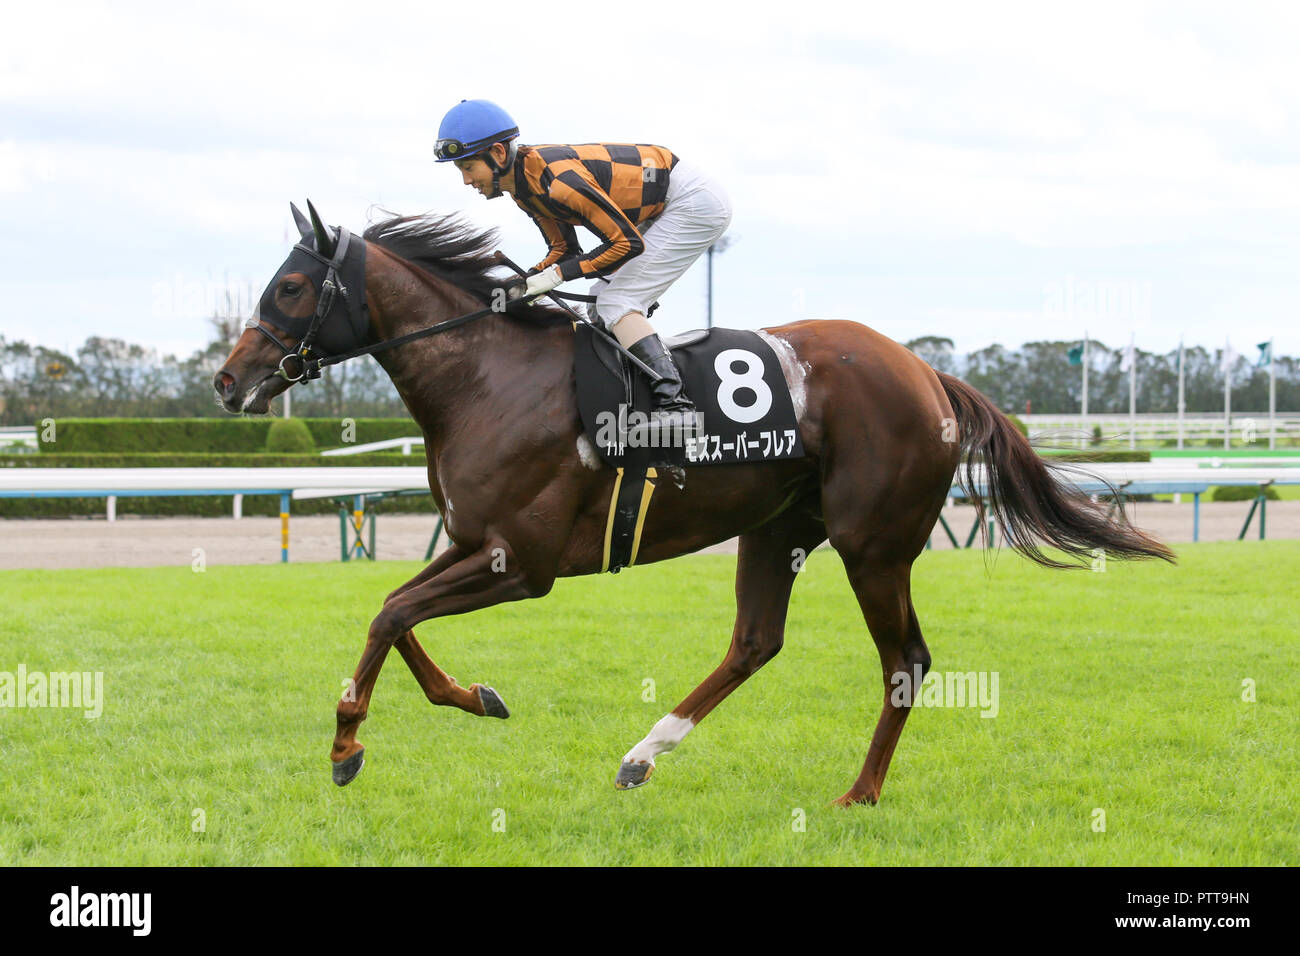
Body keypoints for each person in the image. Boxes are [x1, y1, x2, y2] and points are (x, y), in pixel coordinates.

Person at [434, 99, 732, 424]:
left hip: (692, 202)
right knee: (598, 304)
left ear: (498, 154)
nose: (466, 181)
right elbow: (564, 250)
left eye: (467, 167)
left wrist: (555, 276)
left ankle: (676, 407)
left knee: (618, 302)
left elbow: (625, 244)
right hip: (658, 205)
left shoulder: (559, 183)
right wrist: (520, 286)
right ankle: (634, 394)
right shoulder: (524, 189)